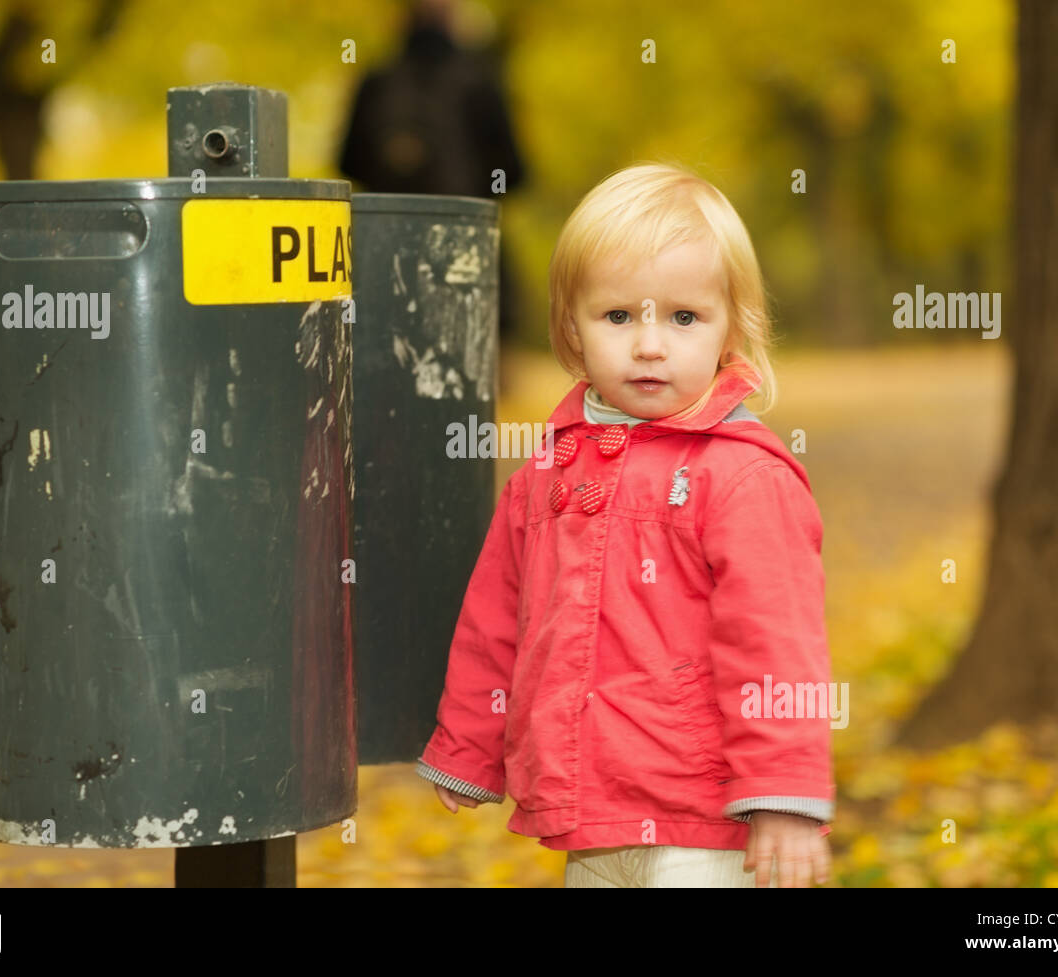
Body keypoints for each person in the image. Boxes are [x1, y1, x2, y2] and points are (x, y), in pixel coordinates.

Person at [415, 162, 835, 888]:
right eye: (618, 317)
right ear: (572, 332)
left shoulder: (741, 477)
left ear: (729, 327)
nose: (649, 345)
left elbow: (778, 643)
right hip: (592, 818)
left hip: (707, 821)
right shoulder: (542, 480)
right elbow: (493, 624)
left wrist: (786, 796)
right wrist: (467, 745)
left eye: (683, 317)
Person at [335, 0, 527, 341]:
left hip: (388, 255)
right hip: (463, 252)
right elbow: (512, 170)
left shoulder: (378, 80)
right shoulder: (480, 77)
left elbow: (349, 163)